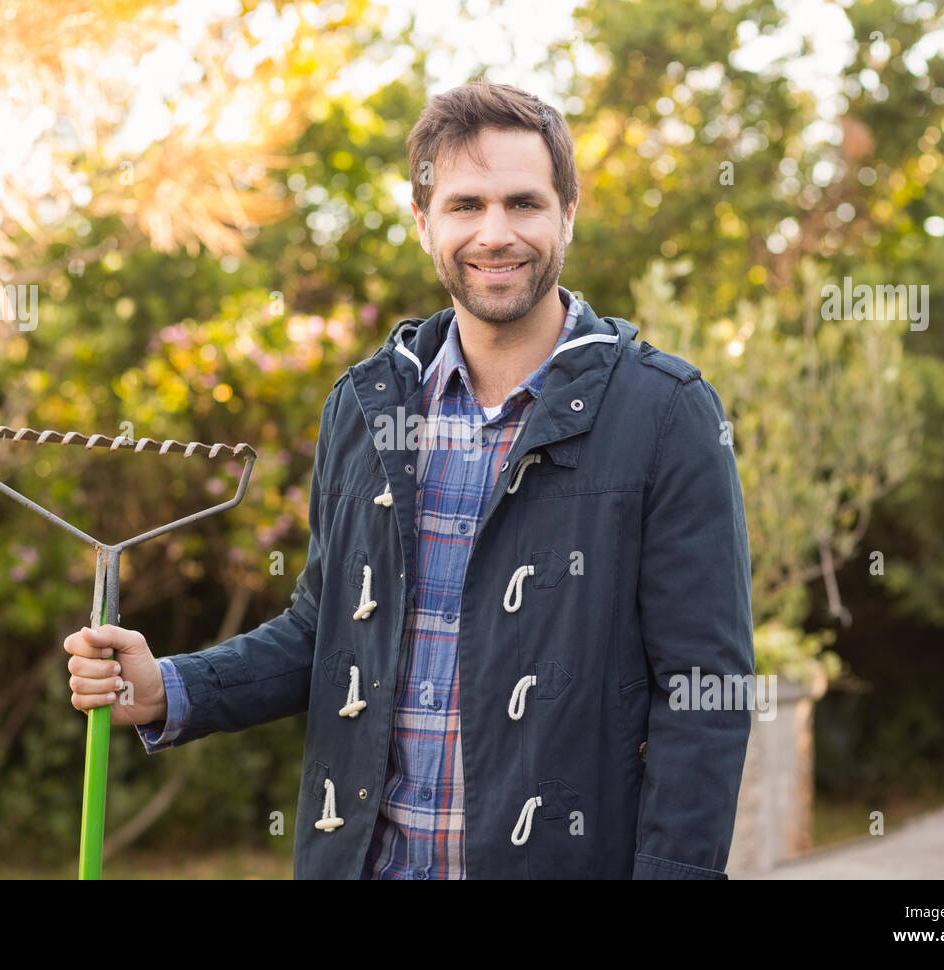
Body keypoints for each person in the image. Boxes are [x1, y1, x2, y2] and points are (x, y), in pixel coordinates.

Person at [63, 81, 755, 879]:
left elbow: (705, 693)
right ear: (424, 221)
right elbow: (325, 635)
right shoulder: (366, 404)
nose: (496, 234)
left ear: (568, 212)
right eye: (466, 206)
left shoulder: (663, 413)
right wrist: (167, 688)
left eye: (524, 203)